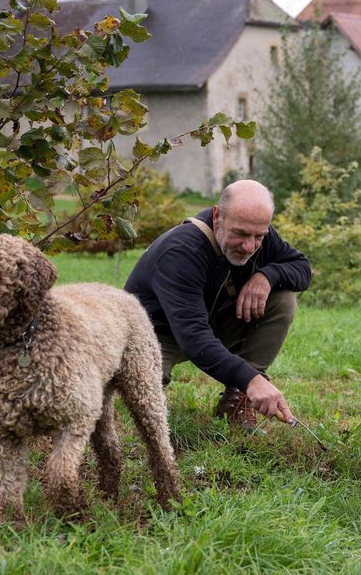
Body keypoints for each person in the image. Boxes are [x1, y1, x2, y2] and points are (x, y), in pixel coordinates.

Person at [124, 179, 311, 430]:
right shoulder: (181, 252)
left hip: (209, 320)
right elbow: (194, 338)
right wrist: (252, 380)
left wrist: (267, 276)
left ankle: (237, 399)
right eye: (241, 234)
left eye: (259, 236)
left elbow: (302, 268)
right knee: (142, 389)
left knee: (282, 299)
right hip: (153, 333)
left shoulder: (257, 235)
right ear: (217, 216)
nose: (250, 246)